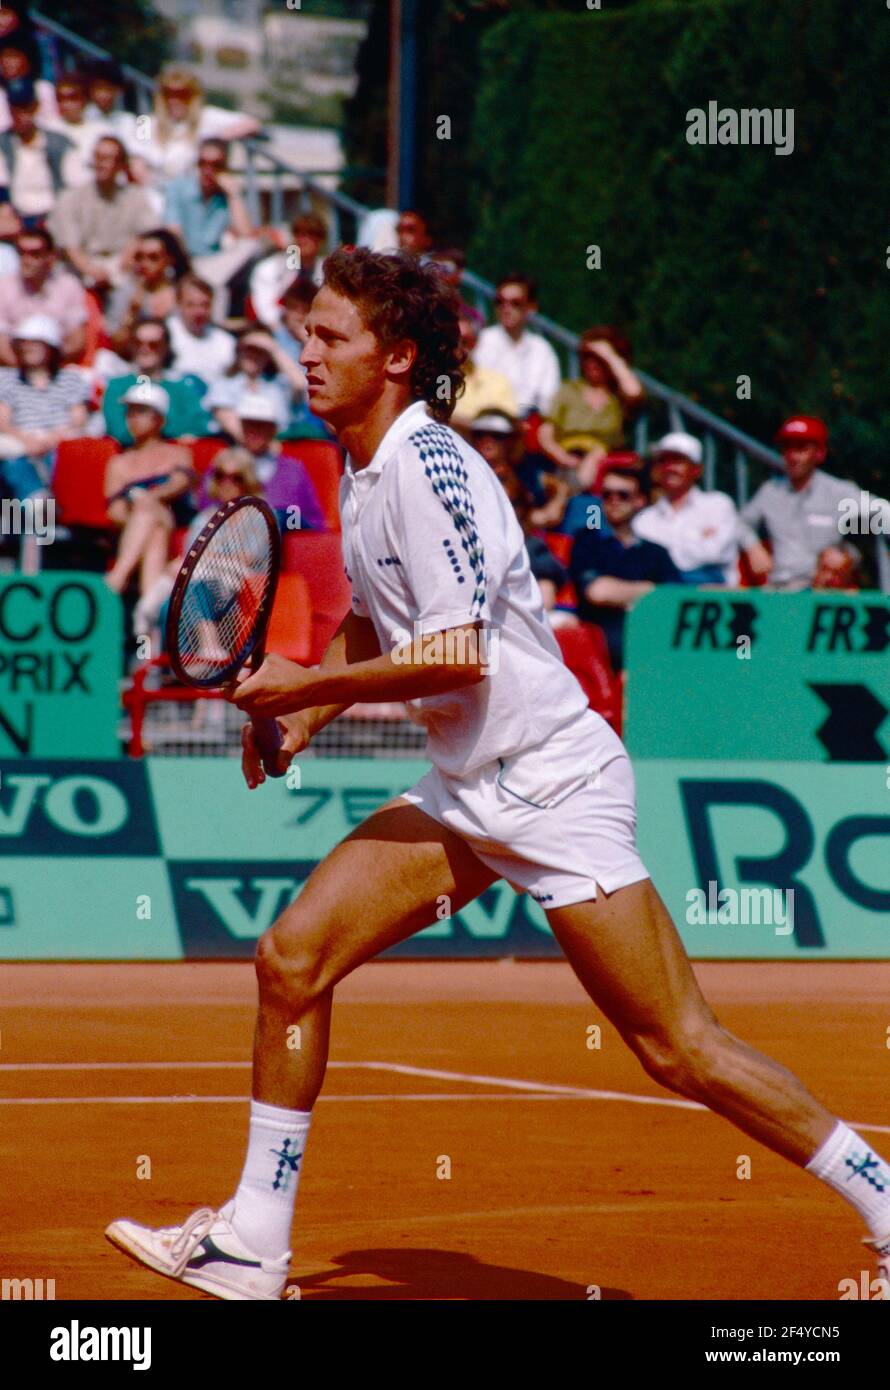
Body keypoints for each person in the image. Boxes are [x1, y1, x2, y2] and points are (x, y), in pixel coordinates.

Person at [105, 246, 890, 1303]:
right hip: (468, 791)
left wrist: (291, 692)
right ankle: (254, 1238)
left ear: (395, 355)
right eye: (306, 332)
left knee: (675, 1046)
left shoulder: (430, 468)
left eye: (329, 336)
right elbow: (375, 624)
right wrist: (310, 713)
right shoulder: (362, 462)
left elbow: (457, 652)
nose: (305, 351)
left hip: (553, 782)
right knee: (291, 959)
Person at [739, 415, 890, 590]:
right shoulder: (770, 490)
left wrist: (849, 554)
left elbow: (883, 512)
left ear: (819, 453)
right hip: (777, 586)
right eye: (787, 448)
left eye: (801, 448)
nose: (793, 456)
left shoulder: (838, 491)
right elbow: (739, 523)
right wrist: (753, 547)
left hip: (821, 590)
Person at [134, 446, 263, 646]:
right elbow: (190, 558)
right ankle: (165, 662)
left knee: (192, 587)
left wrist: (203, 560)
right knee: (170, 604)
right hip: (203, 581)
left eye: (235, 477)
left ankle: (208, 648)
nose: (227, 483)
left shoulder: (259, 513)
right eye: (221, 476)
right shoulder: (203, 518)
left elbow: (248, 558)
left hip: (243, 590)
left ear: (247, 480)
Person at [0, 313, 89, 571]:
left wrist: (50, 439)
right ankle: (35, 499)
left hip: (57, 444)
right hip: (21, 444)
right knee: (11, 457)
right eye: (24, 343)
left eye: (35, 343)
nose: (29, 349)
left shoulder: (71, 379)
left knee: (72, 452)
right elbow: (3, 420)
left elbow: (78, 420)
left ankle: (48, 507)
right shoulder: (7, 379)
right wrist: (26, 439)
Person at [570, 464, 681, 670]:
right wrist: (651, 590)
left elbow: (674, 598)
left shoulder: (655, 552)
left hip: (653, 631)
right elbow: (598, 592)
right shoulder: (587, 540)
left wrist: (625, 595)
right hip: (606, 634)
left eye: (623, 495)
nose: (613, 500)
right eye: (607, 494)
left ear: (640, 501)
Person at [103, 382, 194, 597]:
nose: (133, 418)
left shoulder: (178, 454)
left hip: (173, 519)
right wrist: (140, 516)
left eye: (141, 411)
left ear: (159, 418)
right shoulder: (119, 463)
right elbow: (114, 510)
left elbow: (179, 483)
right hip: (138, 528)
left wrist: (147, 499)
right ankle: (148, 613)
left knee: (149, 511)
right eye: (130, 412)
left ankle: (117, 578)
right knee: (153, 527)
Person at [538, 326, 644, 491]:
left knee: (601, 458)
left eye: (598, 358)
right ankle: (573, 489)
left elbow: (635, 392)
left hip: (605, 461)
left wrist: (610, 355)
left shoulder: (618, 397)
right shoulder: (569, 390)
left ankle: (568, 493)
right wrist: (563, 457)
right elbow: (545, 434)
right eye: (587, 357)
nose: (591, 363)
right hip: (568, 459)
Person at [163, 138, 258, 319]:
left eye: (216, 165)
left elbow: (246, 236)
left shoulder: (225, 196)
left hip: (212, 263)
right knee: (216, 286)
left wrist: (234, 195)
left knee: (251, 246)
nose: (208, 170)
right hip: (182, 262)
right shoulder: (178, 188)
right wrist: (188, 270)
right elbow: (173, 234)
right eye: (202, 163)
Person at [48, 135, 155, 292]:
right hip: (82, 268)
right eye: (97, 157)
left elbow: (144, 234)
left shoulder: (136, 197)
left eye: (107, 159)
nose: (100, 164)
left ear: (121, 164)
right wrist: (92, 271)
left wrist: (122, 265)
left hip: (123, 268)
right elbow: (70, 247)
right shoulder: (70, 198)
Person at [632, 431, 740, 584]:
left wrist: (664, 557)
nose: (669, 468)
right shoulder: (644, 520)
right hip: (664, 597)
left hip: (712, 595)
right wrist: (698, 542)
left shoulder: (718, 505)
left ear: (697, 469)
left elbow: (714, 554)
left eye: (678, 461)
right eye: (663, 461)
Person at [220, 390, 324, 532]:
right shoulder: (224, 465)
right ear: (242, 427)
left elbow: (313, 521)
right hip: (231, 540)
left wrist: (278, 518)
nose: (254, 431)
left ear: (273, 429)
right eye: (249, 425)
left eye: (261, 426)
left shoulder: (293, 470)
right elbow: (208, 509)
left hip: (281, 539)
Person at [141, 67, 261, 189]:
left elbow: (252, 123)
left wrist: (218, 139)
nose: (175, 100)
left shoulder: (207, 117)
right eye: (169, 94)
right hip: (153, 191)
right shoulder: (144, 122)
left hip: (190, 193)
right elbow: (137, 154)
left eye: (182, 94)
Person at [101, 319, 210, 445]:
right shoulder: (117, 386)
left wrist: (148, 432)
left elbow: (198, 428)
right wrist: (169, 434)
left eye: (153, 344)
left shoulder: (182, 389)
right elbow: (119, 431)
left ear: (165, 347)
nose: (145, 349)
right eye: (138, 343)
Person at [474, 272, 561, 416]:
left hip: (528, 424)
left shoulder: (542, 349)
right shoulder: (482, 342)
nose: (506, 308)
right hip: (488, 422)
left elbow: (549, 400)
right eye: (500, 302)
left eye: (515, 303)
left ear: (531, 307)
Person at [467, 409, 568, 531]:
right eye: (480, 434)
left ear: (510, 439)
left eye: (497, 435)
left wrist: (538, 517)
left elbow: (561, 487)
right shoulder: (464, 470)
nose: (487, 440)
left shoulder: (524, 472)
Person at [202, 326, 308, 441]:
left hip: (281, 447)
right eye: (248, 350)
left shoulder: (279, 385)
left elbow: (300, 385)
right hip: (241, 450)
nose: (253, 356)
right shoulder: (223, 385)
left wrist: (274, 348)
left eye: (260, 351)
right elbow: (233, 426)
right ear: (238, 352)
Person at [0, 226, 86, 363]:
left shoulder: (68, 285)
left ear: (51, 257)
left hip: (58, 367)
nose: (26, 259)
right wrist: (28, 371)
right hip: (14, 370)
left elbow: (77, 340)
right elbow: (2, 345)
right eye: (21, 252)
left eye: (35, 253)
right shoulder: (3, 287)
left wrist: (47, 369)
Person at [0, 77, 78, 225]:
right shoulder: (2, 143)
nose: (19, 114)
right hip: (16, 218)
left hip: (55, 216)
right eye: (14, 108)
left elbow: (74, 186)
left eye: (25, 108)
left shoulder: (59, 142)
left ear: (35, 107)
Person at [106, 229, 191, 350]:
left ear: (169, 260)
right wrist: (131, 313)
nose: (145, 263)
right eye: (140, 257)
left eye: (153, 257)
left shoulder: (183, 293)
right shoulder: (125, 293)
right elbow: (116, 344)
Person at [249, 211, 327, 327]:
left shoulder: (326, 270)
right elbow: (266, 311)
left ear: (321, 240)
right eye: (299, 234)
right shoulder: (270, 268)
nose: (304, 240)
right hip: (279, 329)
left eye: (311, 234)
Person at [451, 303, 518, 431]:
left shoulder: (497, 381)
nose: (458, 348)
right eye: (454, 340)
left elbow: (509, 424)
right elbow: (440, 417)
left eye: (465, 341)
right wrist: (479, 425)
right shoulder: (441, 378)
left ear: (475, 343)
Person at [166, 273, 236, 383]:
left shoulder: (225, 342)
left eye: (205, 305)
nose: (199, 312)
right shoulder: (165, 334)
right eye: (191, 305)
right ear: (179, 305)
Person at [47, 73, 111, 187]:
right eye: (61, 99)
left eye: (73, 98)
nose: (66, 104)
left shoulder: (101, 130)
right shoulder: (49, 129)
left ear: (84, 99)